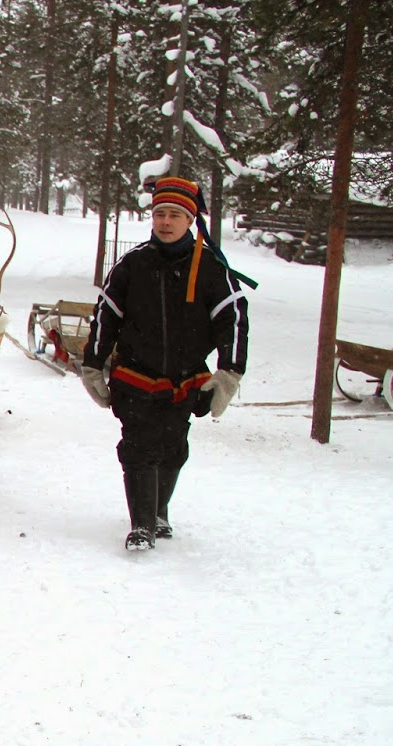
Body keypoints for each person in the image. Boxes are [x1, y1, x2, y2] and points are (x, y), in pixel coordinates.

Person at [80, 174, 251, 550]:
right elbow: (105, 314)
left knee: (173, 446)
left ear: (190, 220)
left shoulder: (210, 267)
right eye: (160, 214)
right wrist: (93, 364)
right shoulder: (132, 264)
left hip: (186, 380)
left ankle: (159, 512)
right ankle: (141, 524)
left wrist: (229, 373)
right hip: (134, 376)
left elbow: (234, 316)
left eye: (175, 215)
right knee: (138, 445)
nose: (166, 222)